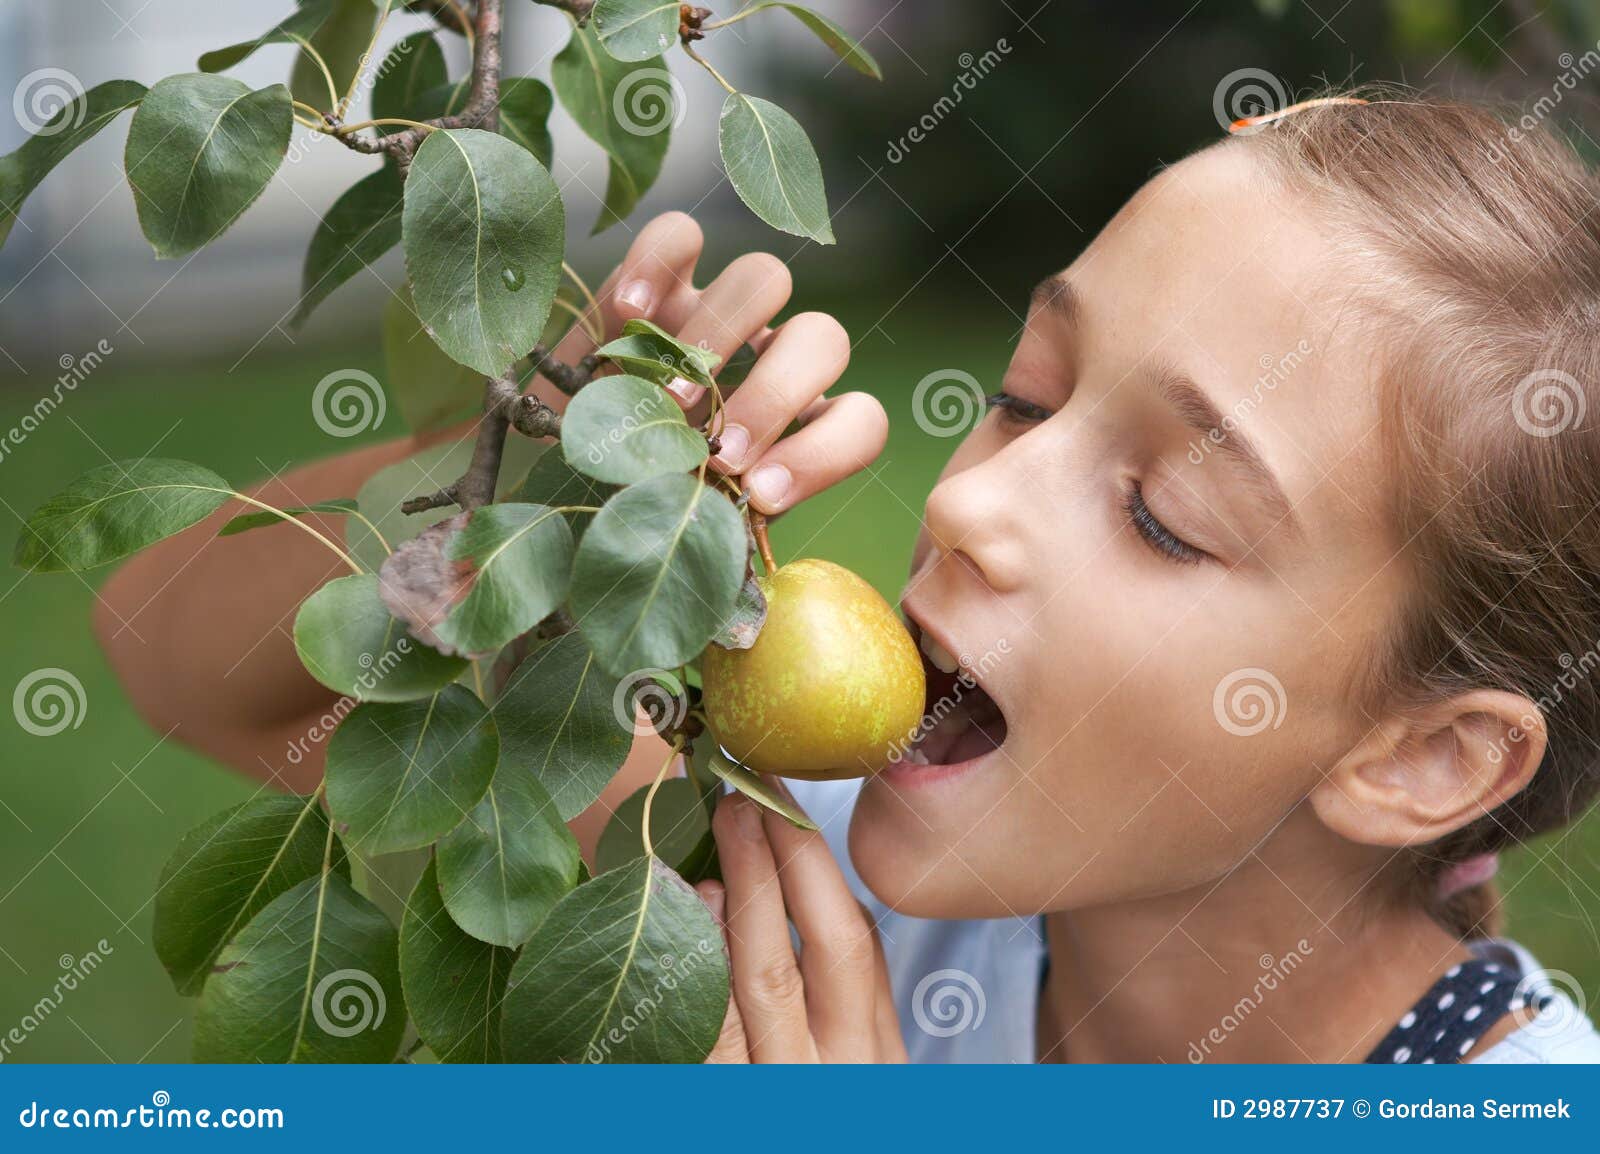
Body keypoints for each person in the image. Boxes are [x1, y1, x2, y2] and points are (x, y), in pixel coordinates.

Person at [98, 92, 1600, 1064]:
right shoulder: (809, 890)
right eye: (1026, 391)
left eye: (1162, 516)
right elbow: (168, 643)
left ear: (1425, 755)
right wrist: (522, 473)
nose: (974, 496)